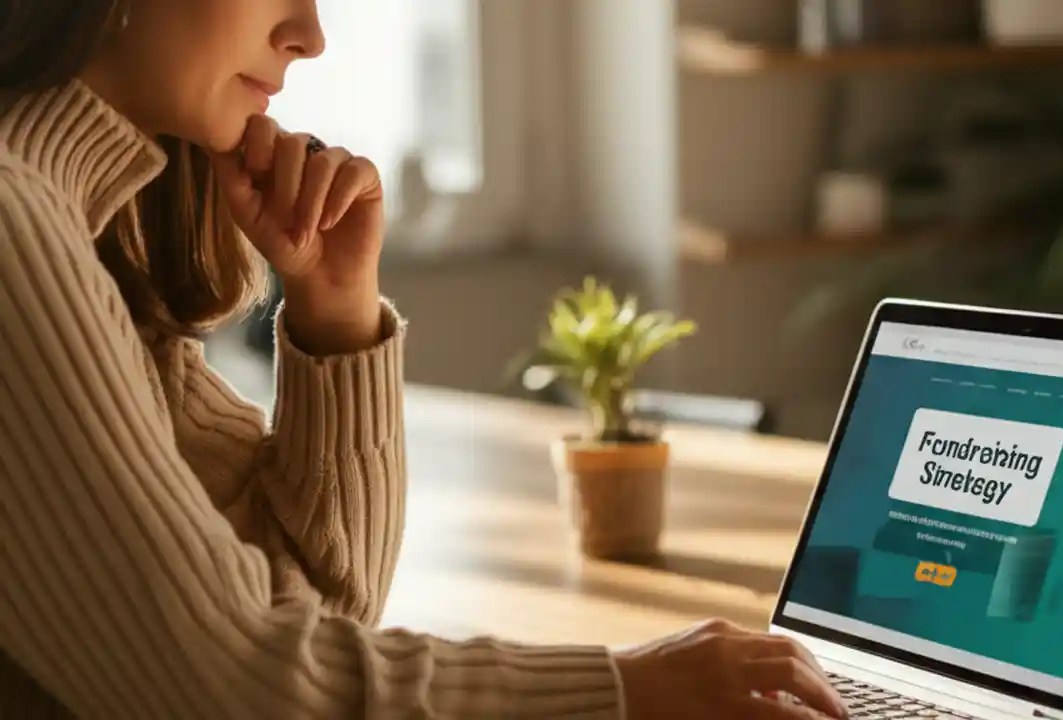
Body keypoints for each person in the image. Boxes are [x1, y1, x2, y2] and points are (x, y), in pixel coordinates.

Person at [0, 2, 848, 718]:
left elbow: (320, 612)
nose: (309, 33)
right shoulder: (13, 223)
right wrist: (624, 691)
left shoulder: (78, 231)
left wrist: (337, 313)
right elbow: (234, 686)